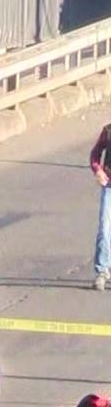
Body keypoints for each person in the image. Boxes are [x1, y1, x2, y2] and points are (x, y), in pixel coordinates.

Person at [92, 121, 111, 290]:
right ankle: (102, 271)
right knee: (104, 228)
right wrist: (98, 170)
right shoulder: (108, 131)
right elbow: (95, 154)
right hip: (109, 186)